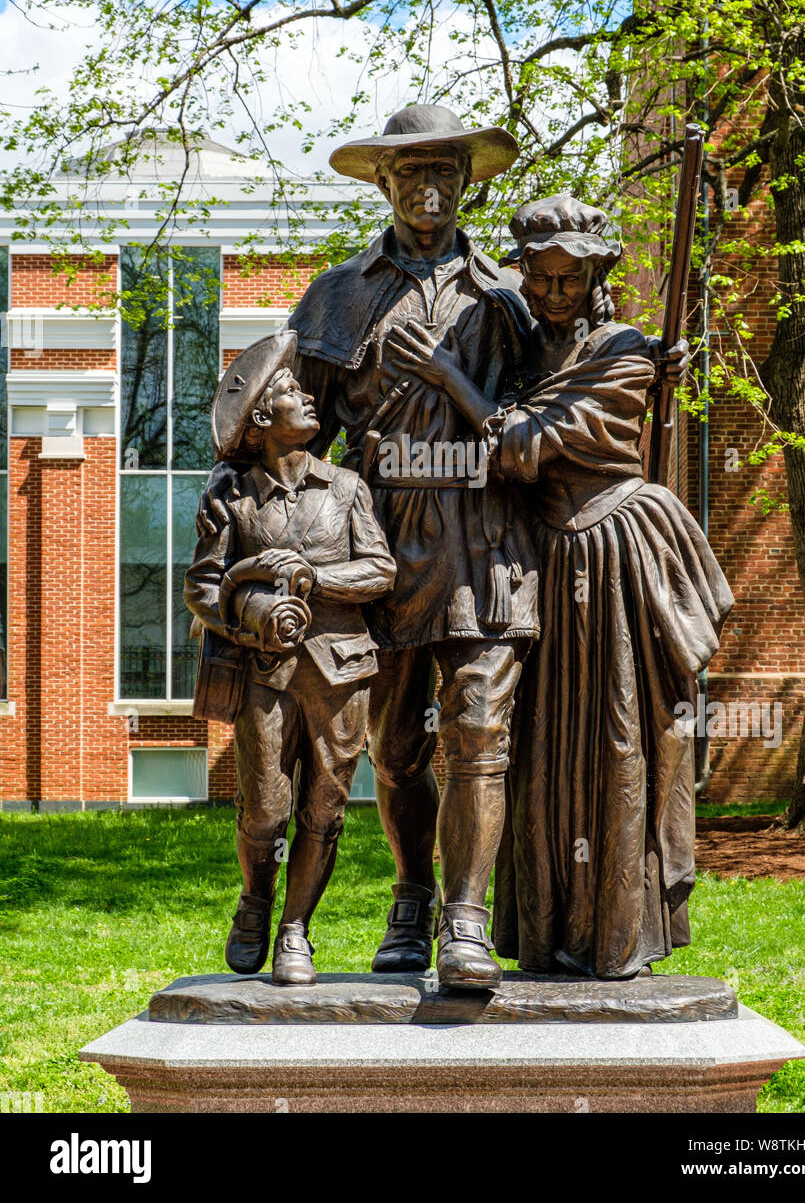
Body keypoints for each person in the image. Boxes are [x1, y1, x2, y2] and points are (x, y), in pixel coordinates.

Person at [198, 104, 539, 989]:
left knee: (478, 727)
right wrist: (232, 511)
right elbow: (276, 418)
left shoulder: (508, 295)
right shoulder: (339, 294)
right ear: (384, 183)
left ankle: (468, 920)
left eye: (447, 175)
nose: (430, 191)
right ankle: (413, 895)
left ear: (469, 183)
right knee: (394, 746)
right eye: (411, 174)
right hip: (377, 533)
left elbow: (554, 403)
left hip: (486, 532)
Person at [387, 194, 733, 979]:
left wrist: (447, 376)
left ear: (596, 276)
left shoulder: (624, 350)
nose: (551, 294)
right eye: (539, 279)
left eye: (568, 281)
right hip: (538, 560)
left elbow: (521, 445)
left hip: (610, 553)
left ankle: (617, 931)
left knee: (617, 740)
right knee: (540, 754)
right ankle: (550, 934)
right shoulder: (519, 347)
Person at [185, 329, 395, 984]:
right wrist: (247, 610)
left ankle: (296, 931)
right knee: (265, 811)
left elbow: (380, 570)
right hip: (262, 672)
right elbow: (203, 583)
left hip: (341, 670)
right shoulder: (234, 495)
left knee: (324, 811)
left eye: (304, 393)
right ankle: (254, 900)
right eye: (290, 395)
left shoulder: (347, 490)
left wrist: (313, 577)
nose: (306, 400)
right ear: (260, 421)